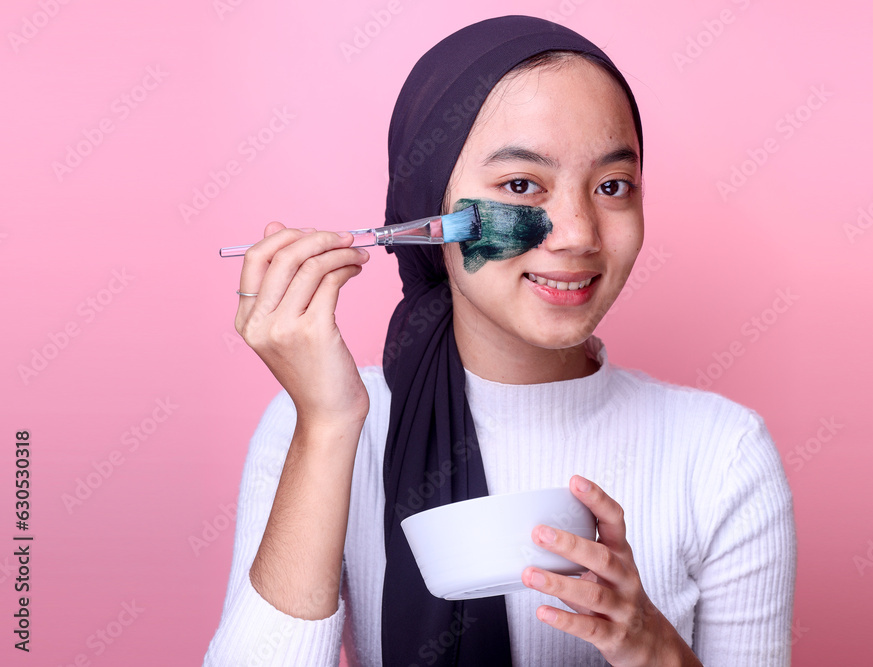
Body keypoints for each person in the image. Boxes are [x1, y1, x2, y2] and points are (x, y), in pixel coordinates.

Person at [204, 15, 796, 667]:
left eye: (612, 186)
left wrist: (657, 650)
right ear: (430, 207)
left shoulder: (723, 454)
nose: (577, 234)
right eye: (520, 185)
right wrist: (327, 425)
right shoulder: (318, 425)